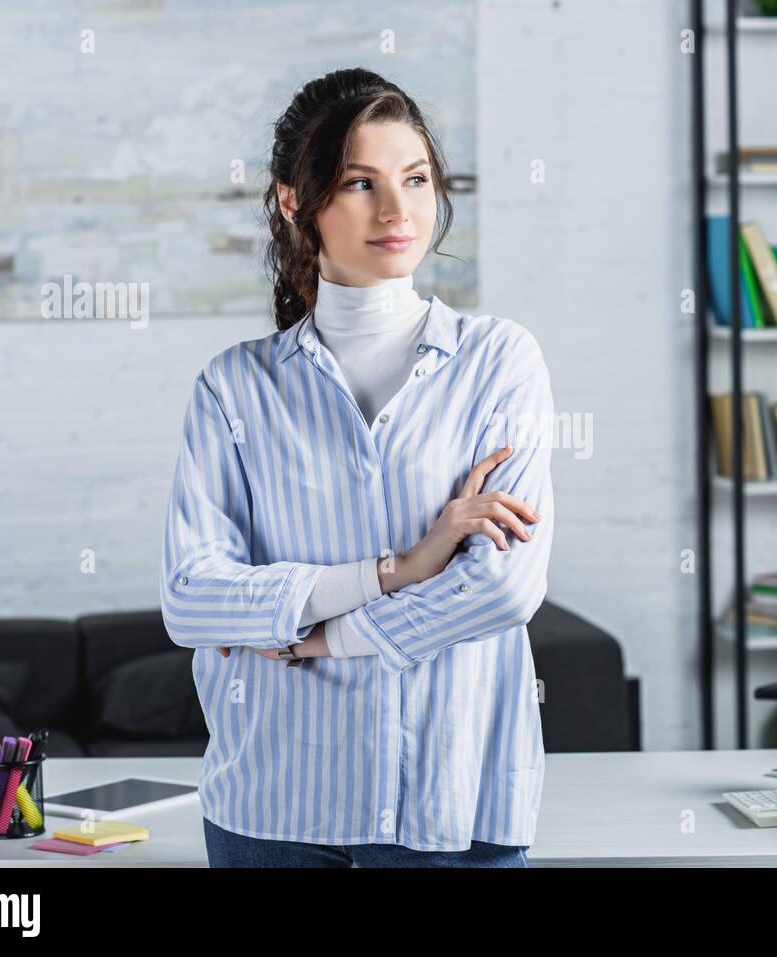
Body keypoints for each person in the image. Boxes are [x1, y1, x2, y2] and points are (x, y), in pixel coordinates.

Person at [160, 68, 555, 868]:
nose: (397, 209)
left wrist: (320, 636)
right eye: (358, 183)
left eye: (414, 179)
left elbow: (504, 585)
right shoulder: (233, 385)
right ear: (294, 202)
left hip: (453, 809)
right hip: (274, 810)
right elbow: (192, 597)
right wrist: (400, 568)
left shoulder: (499, 361)